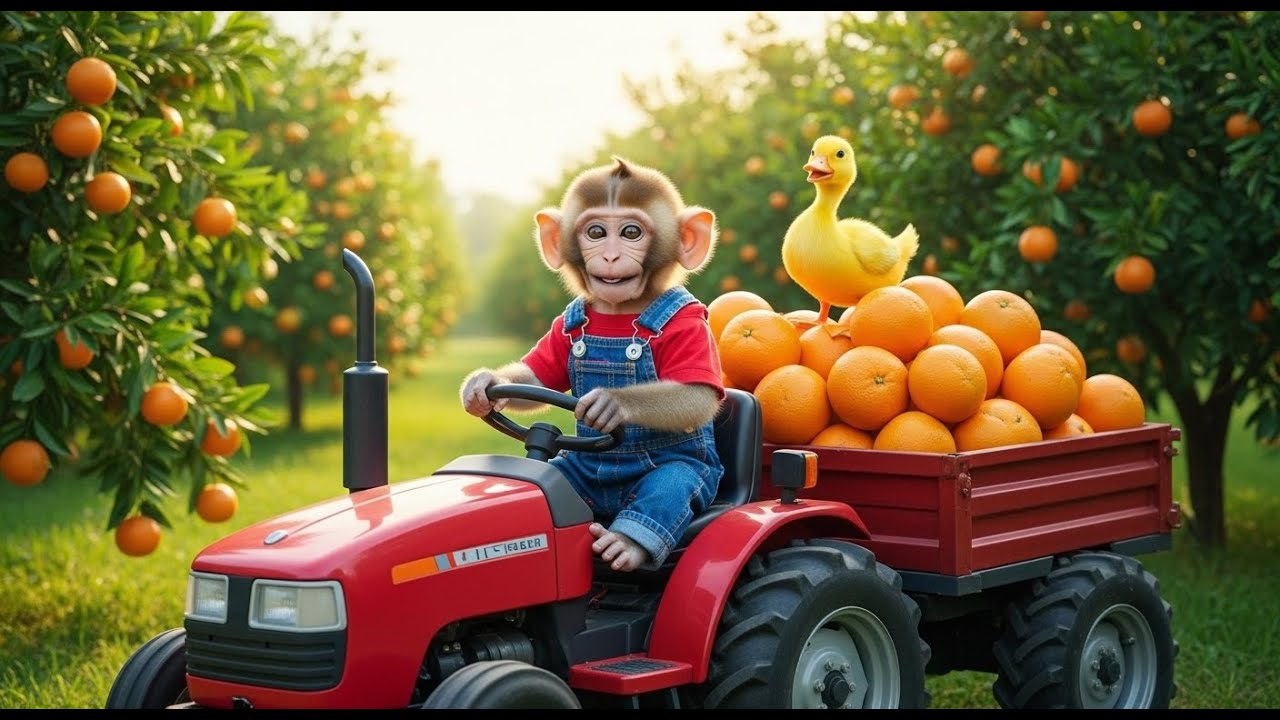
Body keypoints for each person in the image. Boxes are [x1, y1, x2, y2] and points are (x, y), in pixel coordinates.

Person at [460, 157, 725, 572]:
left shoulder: (681, 321)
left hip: (666, 463)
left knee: (673, 485)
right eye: (596, 233)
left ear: (687, 240)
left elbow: (698, 402)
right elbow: (535, 379)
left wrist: (626, 404)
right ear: (556, 240)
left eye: (632, 233)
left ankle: (636, 536)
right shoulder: (575, 323)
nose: (612, 255)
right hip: (588, 466)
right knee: (534, 489)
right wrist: (497, 384)